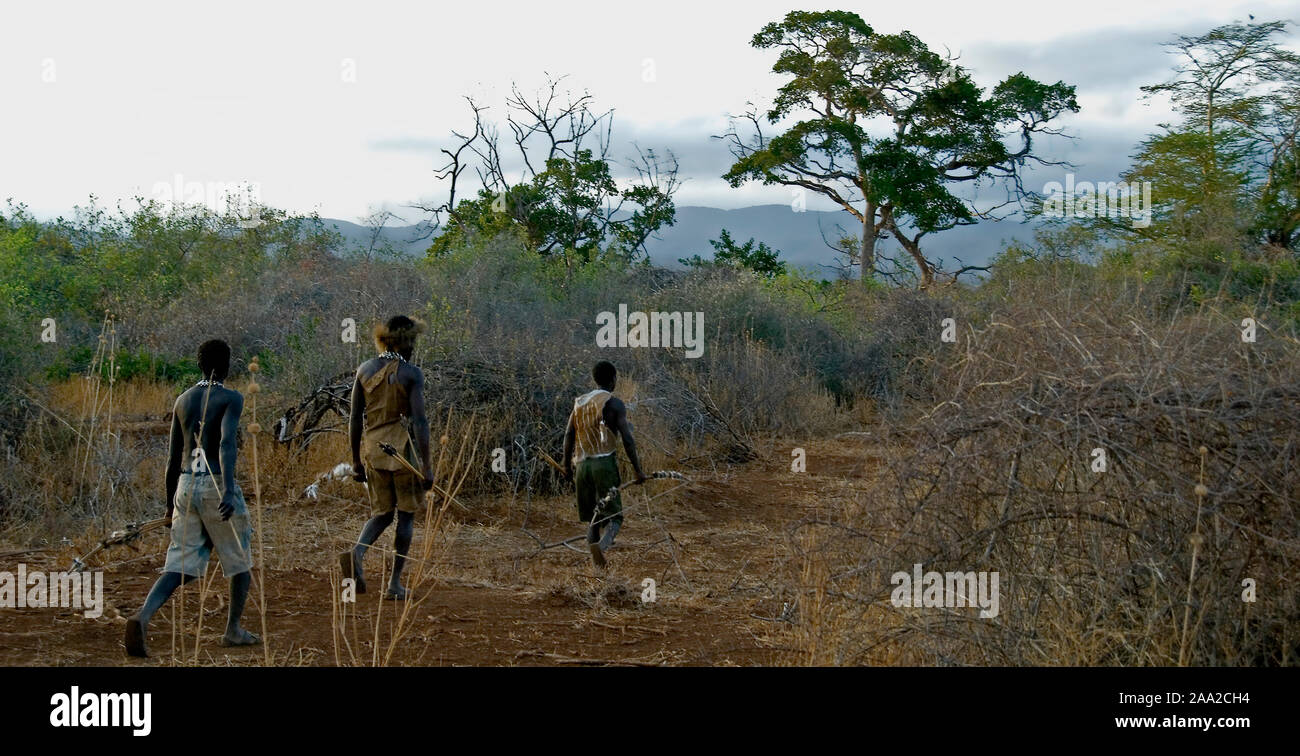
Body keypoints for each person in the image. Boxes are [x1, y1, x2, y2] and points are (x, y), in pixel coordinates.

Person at [125, 339, 259, 657]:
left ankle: (143, 616)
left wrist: (170, 503)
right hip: (215, 484)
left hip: (186, 484)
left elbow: (173, 460)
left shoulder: (183, 400)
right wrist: (227, 488)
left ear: (199, 365)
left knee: (180, 564)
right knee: (239, 561)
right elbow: (227, 444)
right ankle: (233, 630)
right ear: (227, 366)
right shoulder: (231, 398)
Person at [339, 315, 433, 600]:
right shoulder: (410, 373)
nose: (414, 347)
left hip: (373, 448)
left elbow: (355, 417)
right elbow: (419, 422)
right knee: (405, 515)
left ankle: (357, 552)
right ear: (404, 341)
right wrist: (427, 466)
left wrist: (356, 459)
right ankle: (394, 584)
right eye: (412, 341)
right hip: (402, 451)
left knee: (381, 513)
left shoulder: (364, 369)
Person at [563, 360, 646, 568]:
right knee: (615, 517)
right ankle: (603, 544)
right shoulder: (614, 403)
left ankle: (597, 567)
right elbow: (627, 439)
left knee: (593, 517)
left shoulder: (579, 403)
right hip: (604, 464)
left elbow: (568, 435)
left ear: (595, 379)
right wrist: (638, 471)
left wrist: (566, 466)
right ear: (614, 379)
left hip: (581, 466)